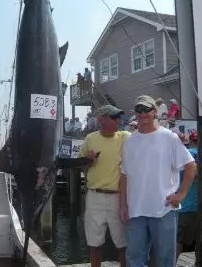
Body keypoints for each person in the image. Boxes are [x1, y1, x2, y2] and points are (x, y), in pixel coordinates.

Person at [119, 95, 196, 267]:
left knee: (164, 261)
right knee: (134, 260)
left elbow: (191, 166)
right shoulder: (129, 141)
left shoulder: (169, 137)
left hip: (164, 210)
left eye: (147, 109)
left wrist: (181, 194)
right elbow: (124, 175)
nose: (142, 113)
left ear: (155, 112)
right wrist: (123, 205)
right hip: (135, 211)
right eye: (139, 110)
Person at [78, 104, 130, 267]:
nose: (119, 120)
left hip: (118, 197)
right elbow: (80, 166)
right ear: (102, 119)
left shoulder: (126, 137)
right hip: (94, 196)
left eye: (118, 117)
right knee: (94, 243)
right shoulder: (90, 139)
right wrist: (88, 160)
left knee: (123, 244)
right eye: (114, 117)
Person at [176, 130, 198, 261]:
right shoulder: (191, 154)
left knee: (178, 241)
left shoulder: (185, 154)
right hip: (190, 207)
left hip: (184, 206)